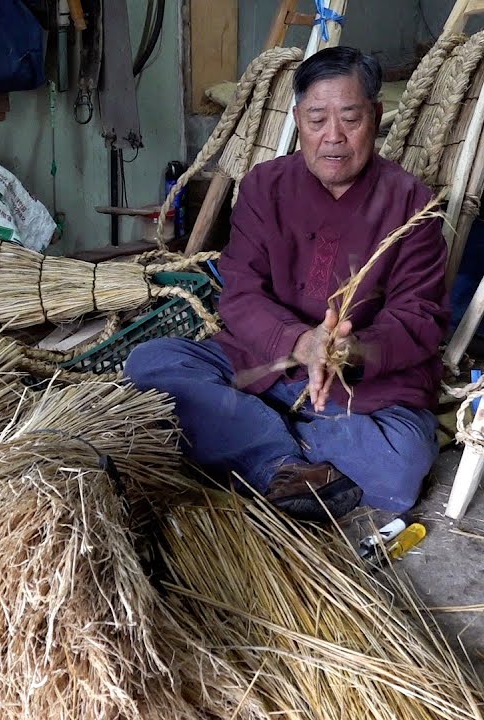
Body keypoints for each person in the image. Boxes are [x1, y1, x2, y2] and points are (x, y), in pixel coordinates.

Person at [126, 46, 448, 521]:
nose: (333, 137)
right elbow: (240, 290)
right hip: (261, 361)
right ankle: (285, 461)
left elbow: (420, 318)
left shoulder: (413, 205)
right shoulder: (264, 186)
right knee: (150, 363)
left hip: (355, 395)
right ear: (297, 119)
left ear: (377, 116)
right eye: (317, 120)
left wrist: (347, 349)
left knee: (402, 464)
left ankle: (258, 444)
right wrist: (299, 341)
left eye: (350, 119)